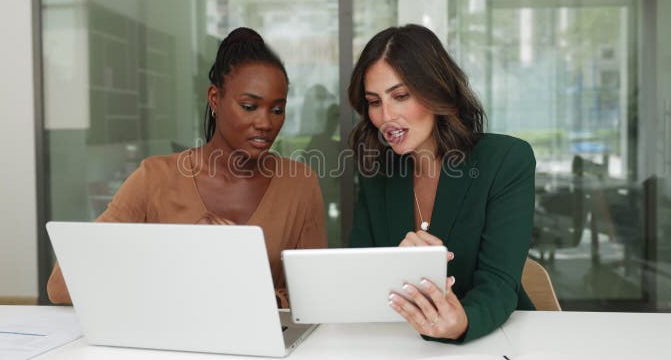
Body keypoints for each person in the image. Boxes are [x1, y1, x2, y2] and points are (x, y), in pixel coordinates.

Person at [47, 27, 327, 305]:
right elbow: (61, 286)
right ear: (215, 99)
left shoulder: (299, 184)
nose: (265, 123)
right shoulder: (154, 178)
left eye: (277, 110)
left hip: (265, 348)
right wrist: (183, 254)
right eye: (249, 106)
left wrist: (253, 292)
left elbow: (316, 295)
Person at [347, 24, 536, 343]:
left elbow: (499, 285)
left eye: (401, 96)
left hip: (494, 340)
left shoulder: (506, 160)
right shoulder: (377, 174)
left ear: (436, 91)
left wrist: (461, 322)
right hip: (401, 343)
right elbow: (359, 276)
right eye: (374, 101)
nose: (386, 115)